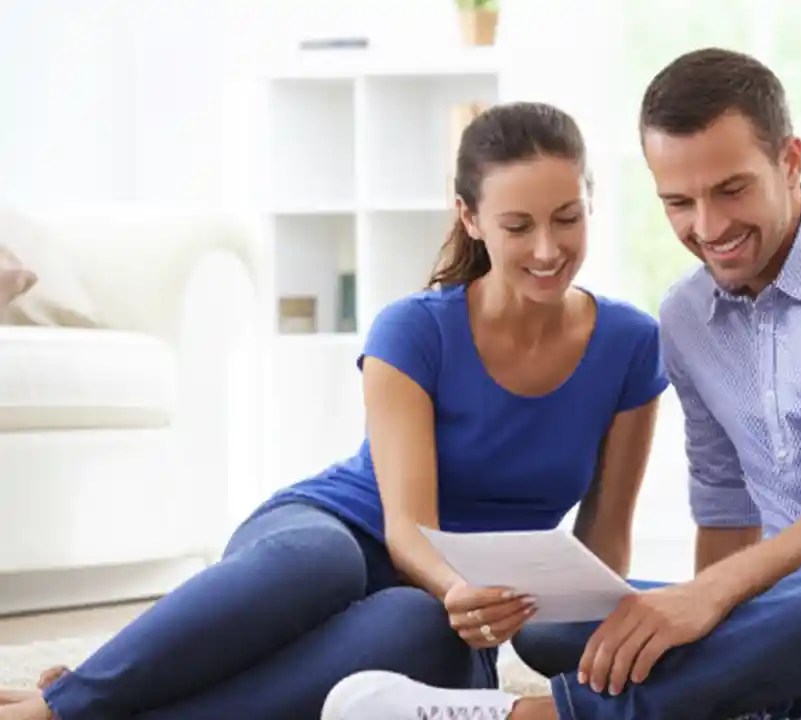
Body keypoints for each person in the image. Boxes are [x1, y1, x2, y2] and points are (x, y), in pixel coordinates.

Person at [321, 48, 801, 720]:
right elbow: (725, 512)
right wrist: (693, 610)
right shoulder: (687, 316)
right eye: (678, 203)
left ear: (790, 160)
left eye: (731, 190)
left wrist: (712, 600)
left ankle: (538, 719)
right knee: (560, 621)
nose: (708, 226)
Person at [0, 101, 667, 720]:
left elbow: (604, 538)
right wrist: (458, 590)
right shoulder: (414, 329)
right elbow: (408, 533)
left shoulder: (630, 343)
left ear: (590, 204)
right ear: (469, 218)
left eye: (567, 218)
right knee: (326, 560)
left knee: (421, 635)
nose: (548, 249)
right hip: (340, 534)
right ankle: (60, 709)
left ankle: (94, 708)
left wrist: (560, 618)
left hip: (450, 606)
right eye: (518, 226)